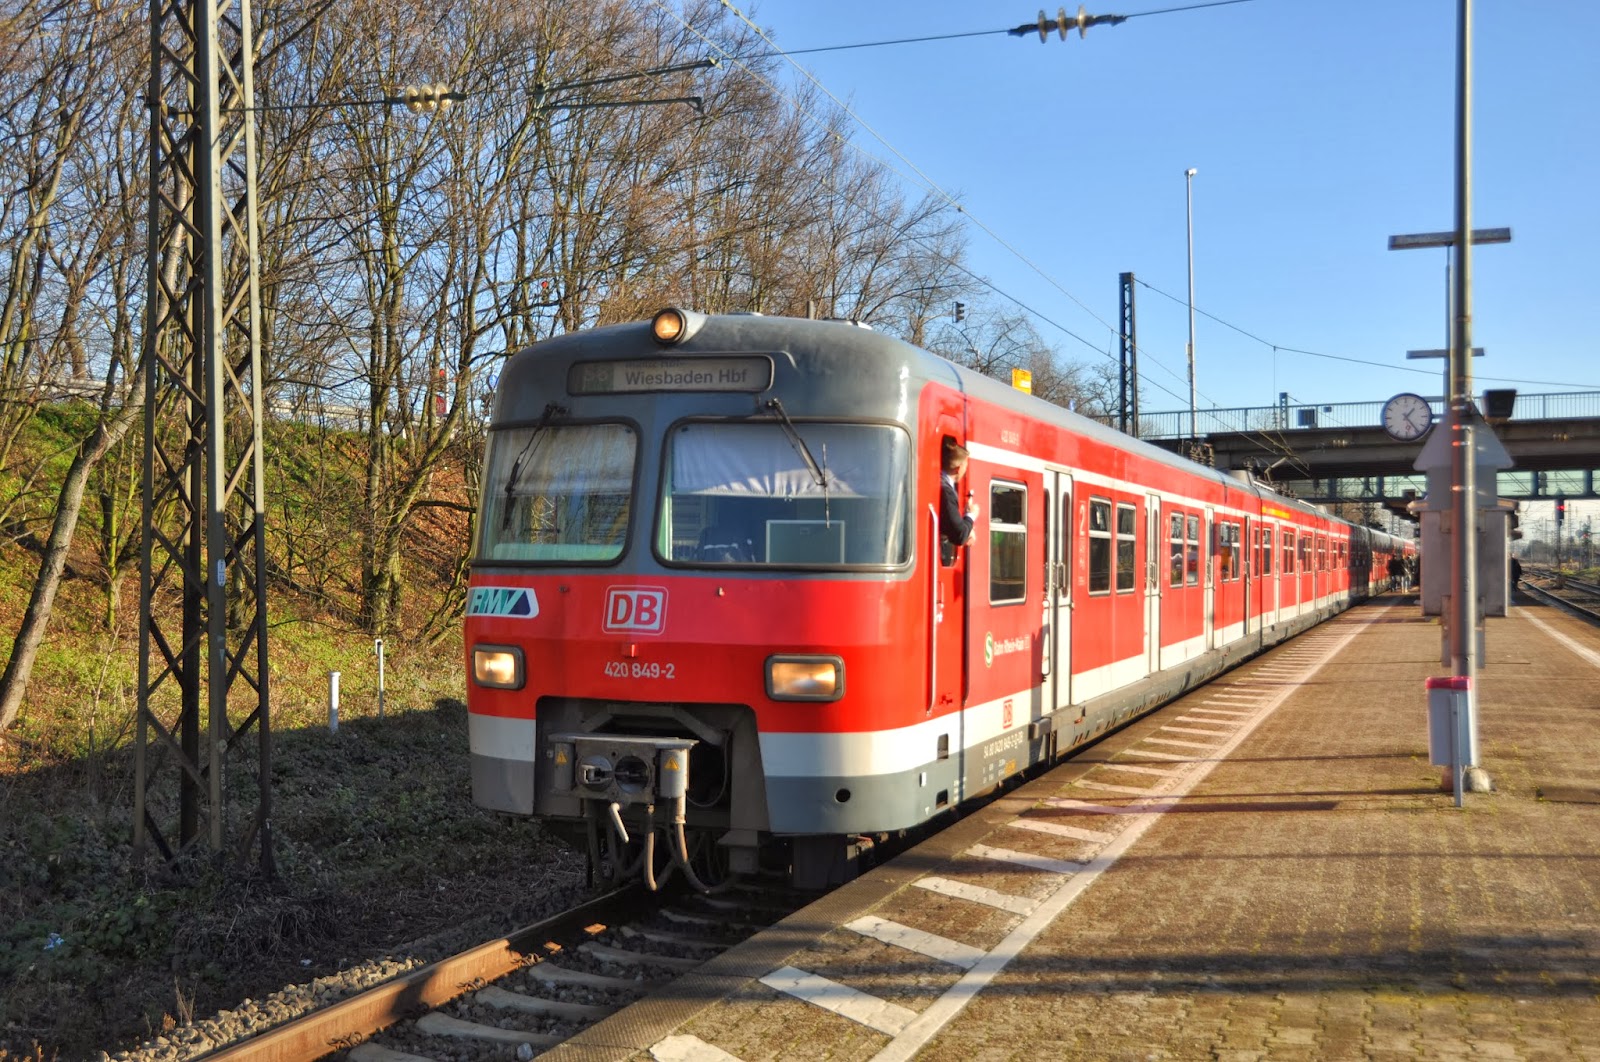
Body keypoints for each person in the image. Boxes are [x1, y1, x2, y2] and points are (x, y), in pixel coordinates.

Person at [939, 439, 979, 562]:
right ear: (958, 468)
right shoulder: (946, 491)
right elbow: (959, 534)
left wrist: (967, 528)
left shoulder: (939, 483)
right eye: (965, 467)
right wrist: (970, 515)